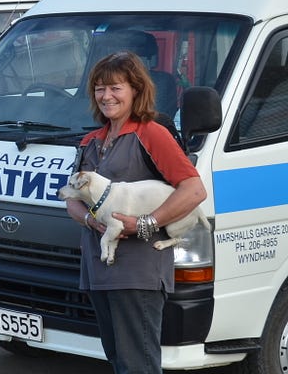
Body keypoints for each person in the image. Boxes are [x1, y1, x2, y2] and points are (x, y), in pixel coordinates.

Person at [65, 51, 207, 374]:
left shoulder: (151, 133)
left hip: (137, 273)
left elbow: (194, 191)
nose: (106, 96)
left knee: (138, 365)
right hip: (98, 271)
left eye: (116, 87)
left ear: (135, 90)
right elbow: (72, 199)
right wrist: (91, 220)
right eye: (100, 88)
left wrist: (145, 223)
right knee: (120, 360)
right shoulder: (92, 140)